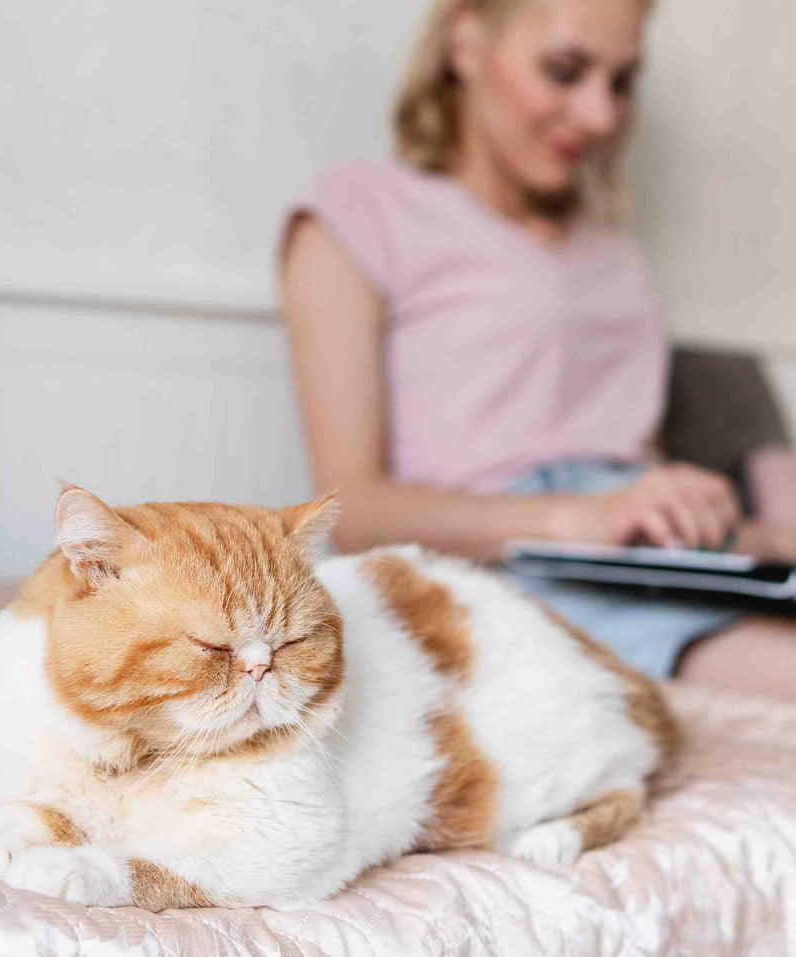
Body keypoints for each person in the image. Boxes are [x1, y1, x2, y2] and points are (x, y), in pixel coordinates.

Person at [280, 0, 796, 698]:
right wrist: (581, 521)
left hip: (637, 562)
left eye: (621, 82)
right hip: (495, 567)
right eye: (564, 71)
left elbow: (628, 467)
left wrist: (741, 533)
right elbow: (355, 512)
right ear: (465, 41)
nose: (601, 116)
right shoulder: (357, 214)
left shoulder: (612, 248)